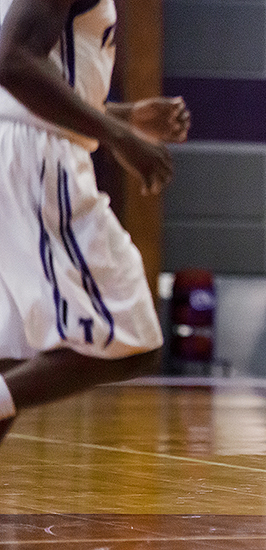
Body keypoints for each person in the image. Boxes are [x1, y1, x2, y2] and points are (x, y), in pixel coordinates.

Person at [0, 0, 190, 444]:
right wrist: (120, 137)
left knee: (13, 352)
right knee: (128, 338)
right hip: (36, 158)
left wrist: (124, 117)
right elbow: (12, 61)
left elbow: (29, 74)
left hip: (15, 151)